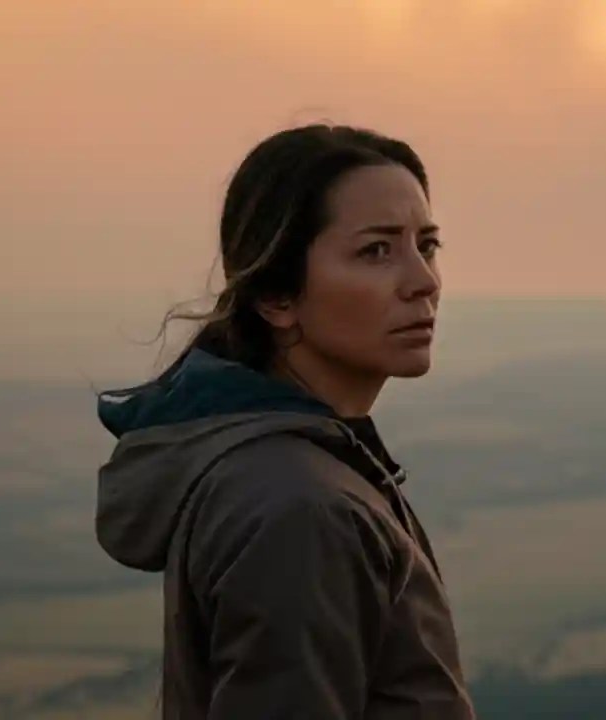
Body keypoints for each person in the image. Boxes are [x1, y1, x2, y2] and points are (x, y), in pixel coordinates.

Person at [94, 124, 476, 718]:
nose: (423, 282)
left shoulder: (292, 472)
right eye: (377, 250)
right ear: (276, 297)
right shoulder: (299, 506)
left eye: (425, 246)